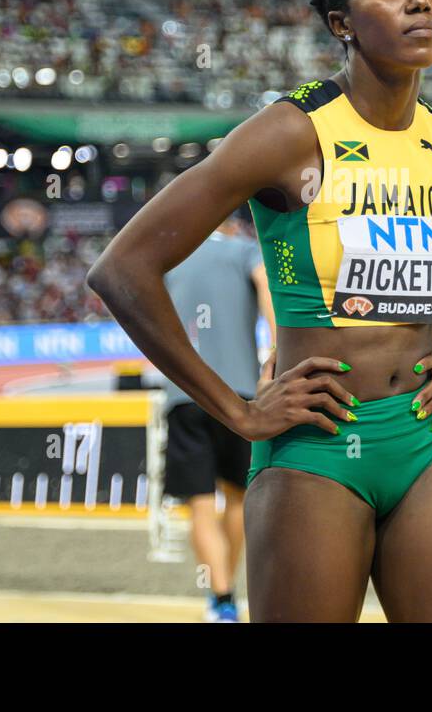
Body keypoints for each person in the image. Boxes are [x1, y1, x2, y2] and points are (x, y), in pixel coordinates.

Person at [89, 0, 432, 622]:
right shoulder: (290, 134)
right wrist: (235, 409)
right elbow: (123, 267)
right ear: (340, 23)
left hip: (424, 440)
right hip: (316, 450)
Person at [160, 208, 274, 622]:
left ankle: (221, 599)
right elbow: (267, 288)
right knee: (240, 500)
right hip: (237, 396)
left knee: (201, 505)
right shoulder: (246, 251)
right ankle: (230, 591)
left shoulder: (170, 258)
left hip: (184, 395)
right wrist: (276, 353)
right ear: (232, 223)